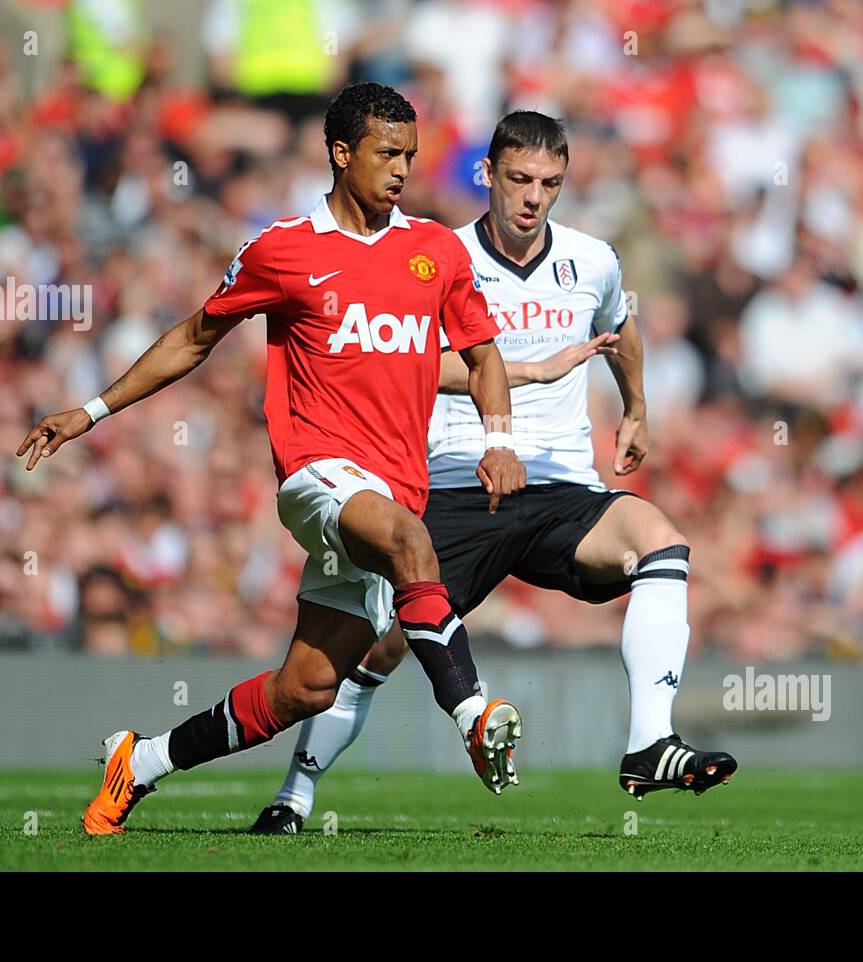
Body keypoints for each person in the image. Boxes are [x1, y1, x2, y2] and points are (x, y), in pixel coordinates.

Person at [16, 83, 527, 835]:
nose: (402, 170)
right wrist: (92, 410)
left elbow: (483, 356)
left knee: (305, 689)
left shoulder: (435, 251)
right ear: (341, 153)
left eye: (411, 156)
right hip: (318, 474)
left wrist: (499, 441)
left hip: (395, 487)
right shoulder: (283, 249)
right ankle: (473, 715)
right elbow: (194, 337)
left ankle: (141, 760)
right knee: (411, 544)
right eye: (387, 153)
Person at [252, 111, 737, 835]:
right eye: (519, 179)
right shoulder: (432, 255)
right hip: (456, 481)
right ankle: (293, 798)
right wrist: (525, 372)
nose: (533, 197)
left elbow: (621, 324)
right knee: (373, 648)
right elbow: (408, 358)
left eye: (550, 183)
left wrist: (637, 409)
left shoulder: (592, 260)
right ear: (487, 174)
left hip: (561, 486)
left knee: (660, 542)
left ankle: (649, 744)